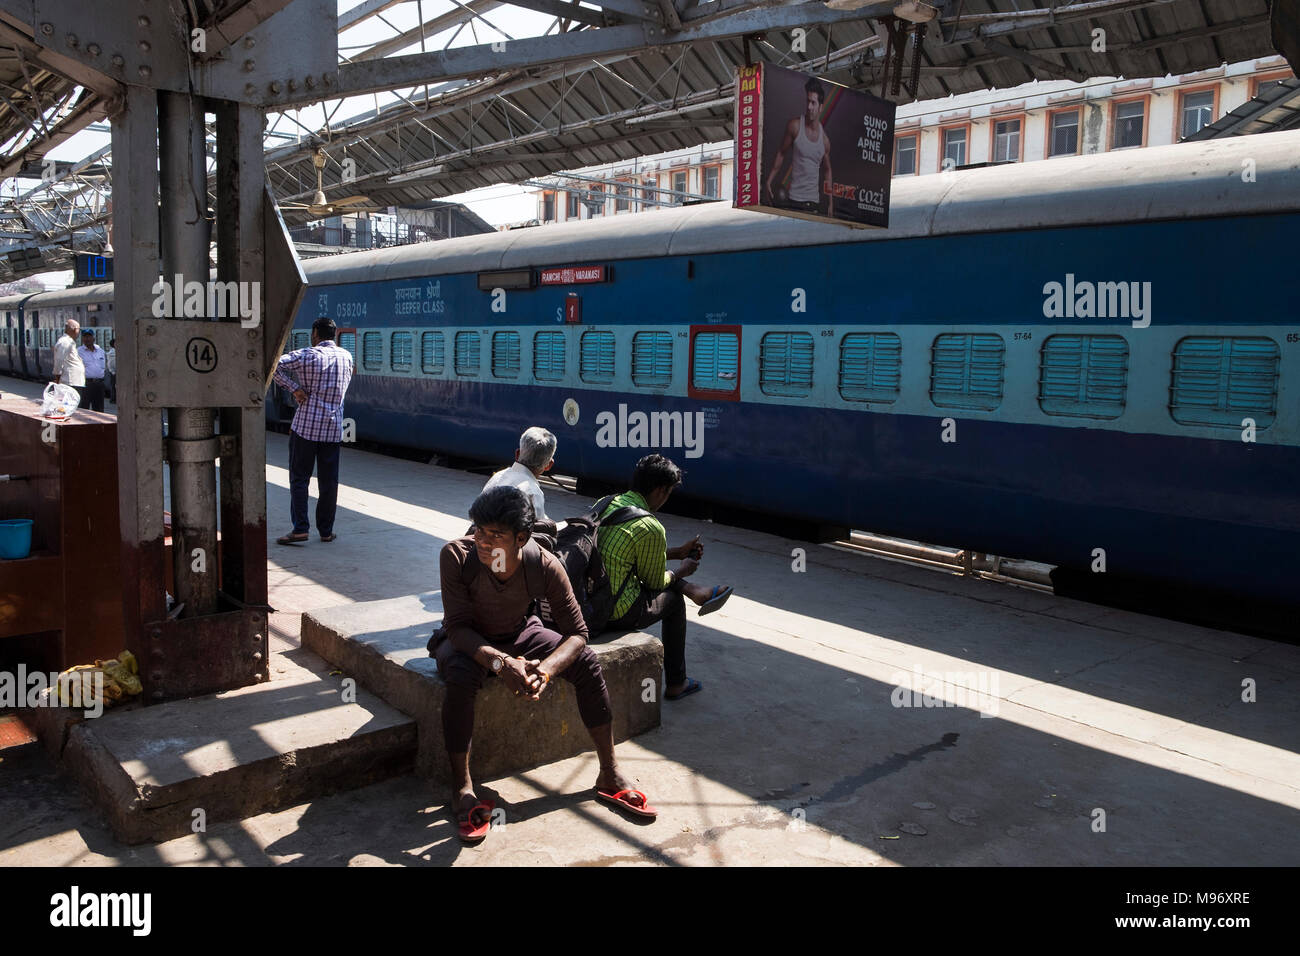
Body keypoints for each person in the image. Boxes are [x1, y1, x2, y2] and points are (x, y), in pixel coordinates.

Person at [435, 485, 656, 842]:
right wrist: (500, 663)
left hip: (521, 633)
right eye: (479, 530)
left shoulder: (544, 565)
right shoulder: (457, 557)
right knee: (460, 676)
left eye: (496, 535)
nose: (483, 541)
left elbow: (578, 634)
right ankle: (462, 787)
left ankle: (609, 773)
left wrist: (546, 670)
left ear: (521, 538)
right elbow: (457, 628)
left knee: (584, 661)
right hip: (470, 642)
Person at [597, 454, 733, 702]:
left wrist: (677, 553)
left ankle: (696, 591)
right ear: (660, 491)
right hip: (612, 610)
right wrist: (682, 568)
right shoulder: (650, 525)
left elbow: (631, 558)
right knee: (672, 600)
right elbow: (655, 583)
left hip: (589, 596)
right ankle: (677, 683)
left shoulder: (607, 503)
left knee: (652, 575)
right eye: (669, 492)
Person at [272, 316, 355, 545]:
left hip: (306, 428)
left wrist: (295, 389)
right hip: (333, 429)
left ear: (315, 334)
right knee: (329, 482)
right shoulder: (346, 356)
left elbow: (274, 364)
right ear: (335, 335)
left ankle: (300, 528)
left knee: (300, 479)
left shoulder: (308, 355)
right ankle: (326, 531)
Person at [765, 77, 833, 217]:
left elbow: (827, 171)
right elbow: (781, 152)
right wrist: (769, 181)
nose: (809, 107)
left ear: (820, 107)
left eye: (813, 103)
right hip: (793, 199)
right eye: (807, 101)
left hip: (814, 203)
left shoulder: (825, 141)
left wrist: (831, 203)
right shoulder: (795, 126)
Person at [481, 426, 557, 529]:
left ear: (517, 454)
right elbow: (539, 529)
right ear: (549, 465)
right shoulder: (533, 492)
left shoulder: (498, 476)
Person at [51, 319, 84, 398]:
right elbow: (59, 360)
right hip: (69, 381)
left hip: (74, 381)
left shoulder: (69, 341)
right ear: (75, 329)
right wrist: (57, 378)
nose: (79, 332)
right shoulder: (65, 342)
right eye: (79, 330)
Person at [77, 330, 106, 412]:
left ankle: (99, 425)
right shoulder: (78, 351)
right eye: (85, 336)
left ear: (94, 338)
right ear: (82, 338)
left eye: (89, 336)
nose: (87, 339)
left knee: (99, 410)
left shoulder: (100, 351)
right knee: (83, 408)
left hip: (99, 384)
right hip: (85, 384)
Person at [106, 338, 116, 404]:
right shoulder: (112, 353)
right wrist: (112, 371)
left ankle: (114, 398)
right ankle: (113, 399)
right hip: (114, 372)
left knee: (114, 386)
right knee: (114, 386)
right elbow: (111, 364)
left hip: (115, 372)